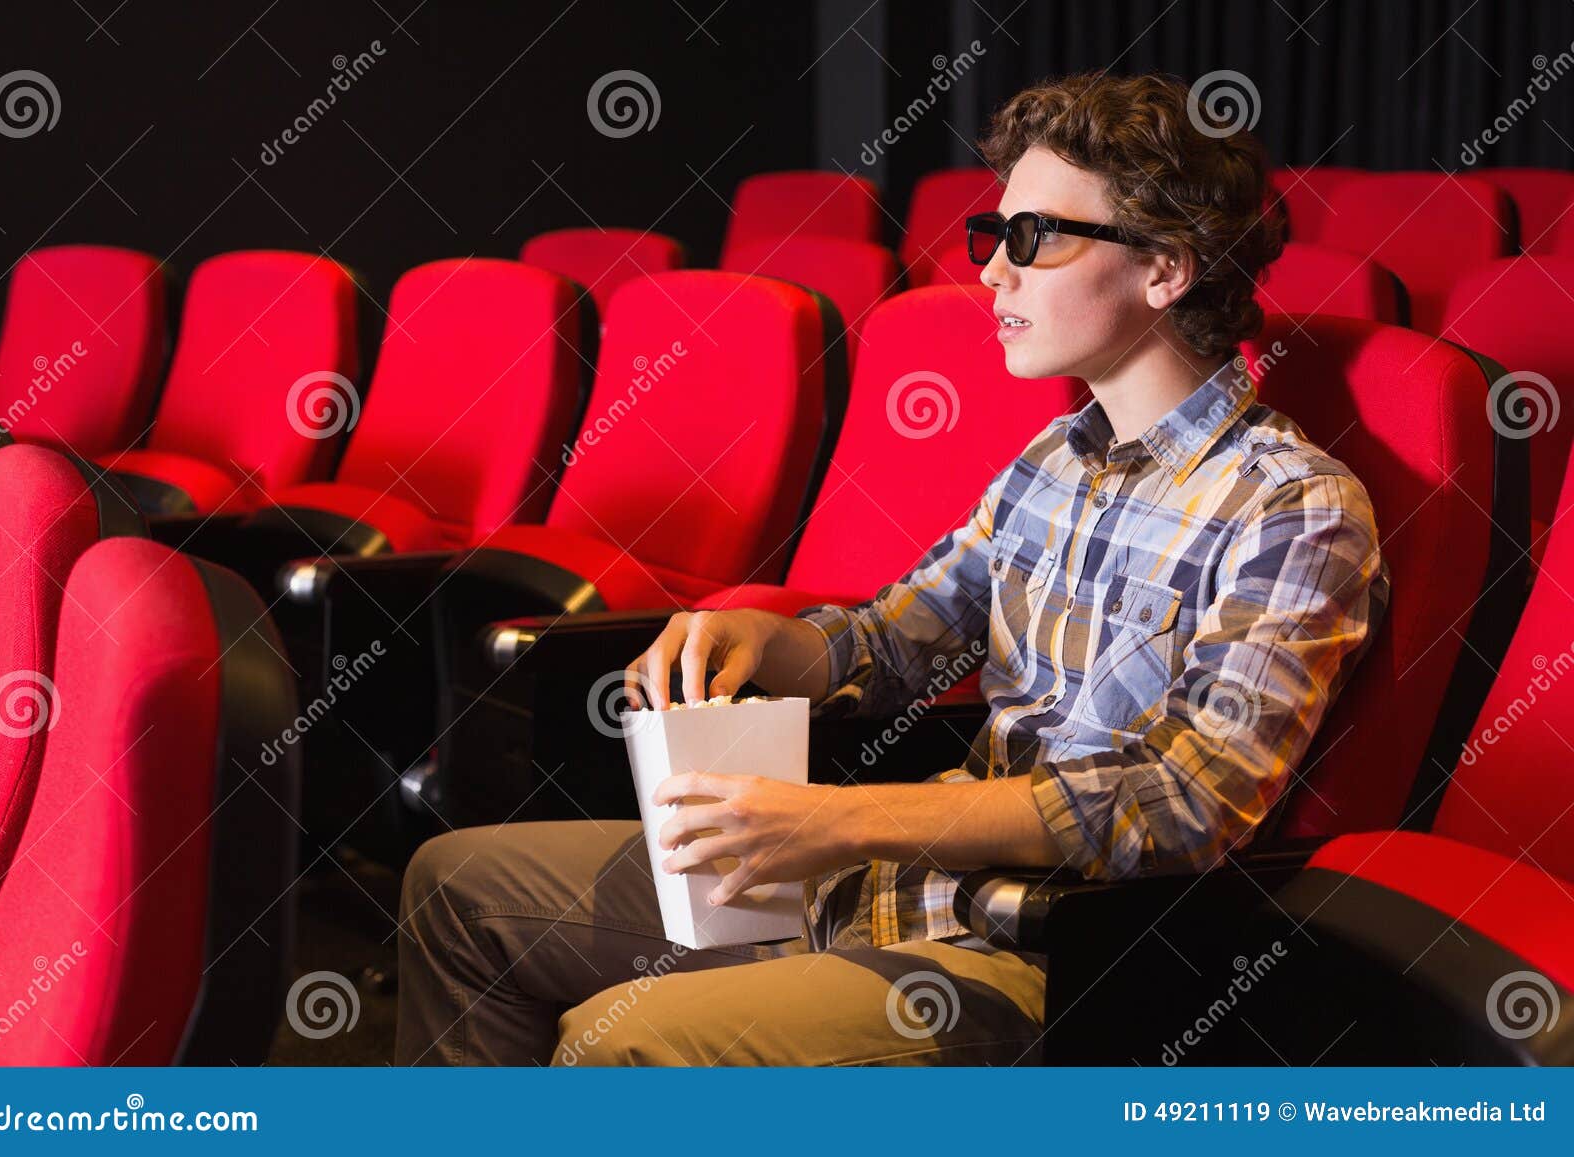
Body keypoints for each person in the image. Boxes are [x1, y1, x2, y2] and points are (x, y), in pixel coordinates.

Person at [394, 70, 1389, 1066]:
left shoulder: (1293, 505)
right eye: (992, 238)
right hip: (885, 882)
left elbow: (1184, 803)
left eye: (1033, 239)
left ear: (1165, 267)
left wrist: (836, 819)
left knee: (626, 1048)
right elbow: (889, 642)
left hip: (1047, 954)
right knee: (458, 887)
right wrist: (764, 641)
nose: (994, 274)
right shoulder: (1049, 463)